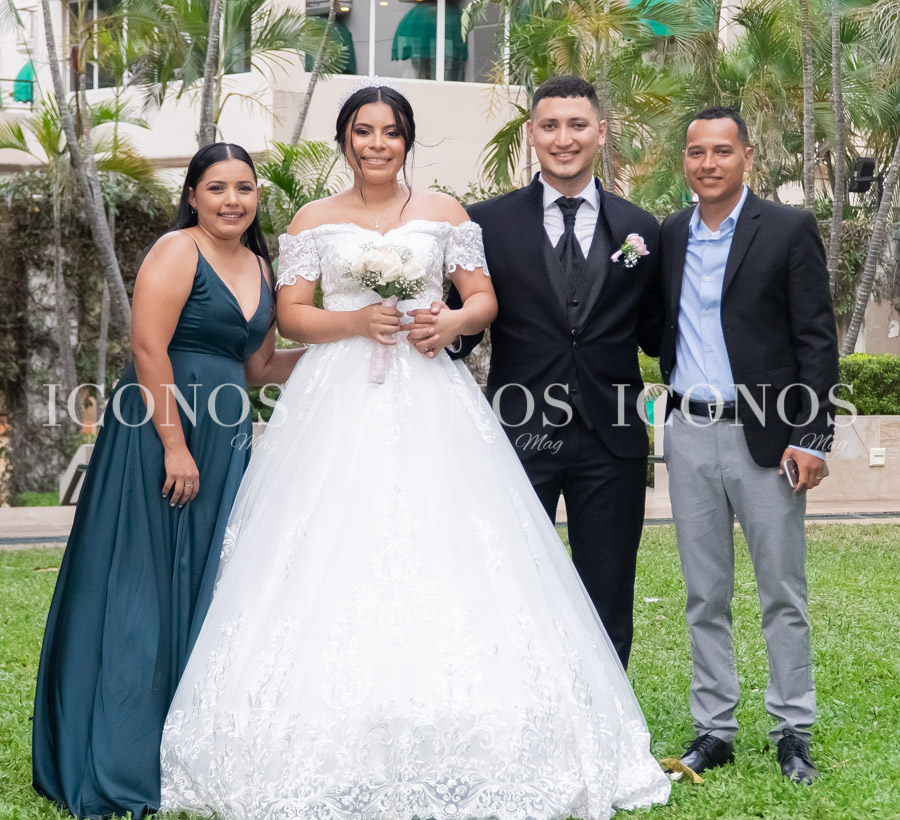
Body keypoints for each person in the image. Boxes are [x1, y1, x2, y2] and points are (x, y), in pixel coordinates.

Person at [159, 82, 670, 819]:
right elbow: (295, 316)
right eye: (362, 131)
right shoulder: (312, 218)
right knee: (330, 551)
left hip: (431, 391)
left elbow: (485, 297)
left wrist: (450, 321)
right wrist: (358, 321)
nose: (376, 144)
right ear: (344, 140)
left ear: (407, 140)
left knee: (453, 550)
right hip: (336, 401)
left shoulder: (443, 212)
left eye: (390, 132)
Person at [32, 142, 303, 819]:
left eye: (244, 188)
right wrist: (175, 446)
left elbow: (261, 366)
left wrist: (350, 343)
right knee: (141, 584)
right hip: (161, 432)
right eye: (217, 188)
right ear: (193, 195)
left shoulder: (263, 266)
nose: (232, 200)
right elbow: (148, 347)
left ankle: (184, 744)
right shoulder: (177, 251)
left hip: (227, 431)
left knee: (210, 581)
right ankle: (120, 752)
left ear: (257, 198)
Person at [410, 76, 664, 669]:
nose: (563, 138)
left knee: (608, 591)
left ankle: (606, 731)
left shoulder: (640, 229)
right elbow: (463, 322)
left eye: (577, 125)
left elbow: (657, 328)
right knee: (510, 585)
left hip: (613, 437)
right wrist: (434, 325)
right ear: (532, 135)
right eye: (549, 125)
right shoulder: (486, 223)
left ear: (600, 133)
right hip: (519, 432)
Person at [658, 107, 839, 784]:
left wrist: (812, 437)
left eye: (722, 151)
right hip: (688, 432)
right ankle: (715, 729)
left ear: (747, 157)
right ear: (687, 159)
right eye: (696, 151)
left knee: (780, 591)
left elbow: (816, 341)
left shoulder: (788, 229)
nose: (708, 163)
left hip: (767, 434)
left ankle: (793, 727)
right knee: (704, 594)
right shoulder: (670, 234)